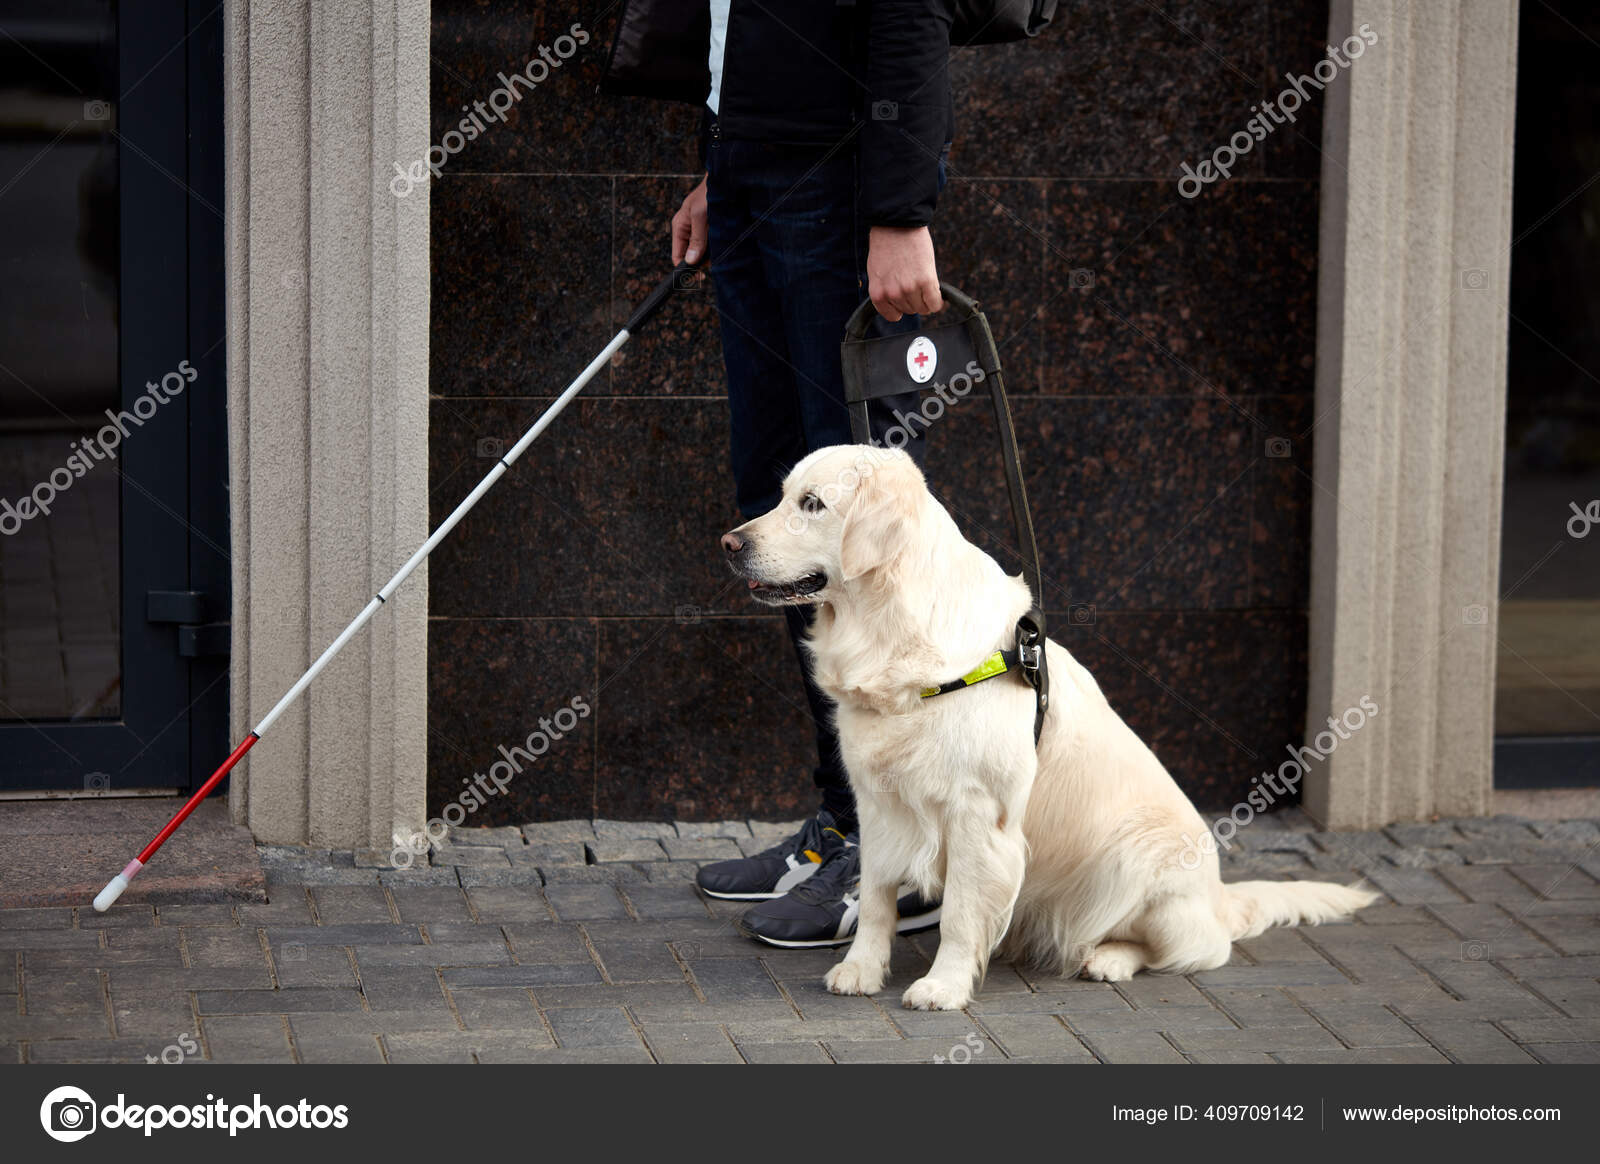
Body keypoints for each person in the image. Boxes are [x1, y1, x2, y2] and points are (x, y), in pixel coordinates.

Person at [601, 0, 955, 947]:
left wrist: (898, 212)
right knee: (787, 521)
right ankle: (848, 818)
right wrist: (724, 168)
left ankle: (912, 861)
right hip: (755, 175)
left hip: (836, 184)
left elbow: (907, 17)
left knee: (861, 528)